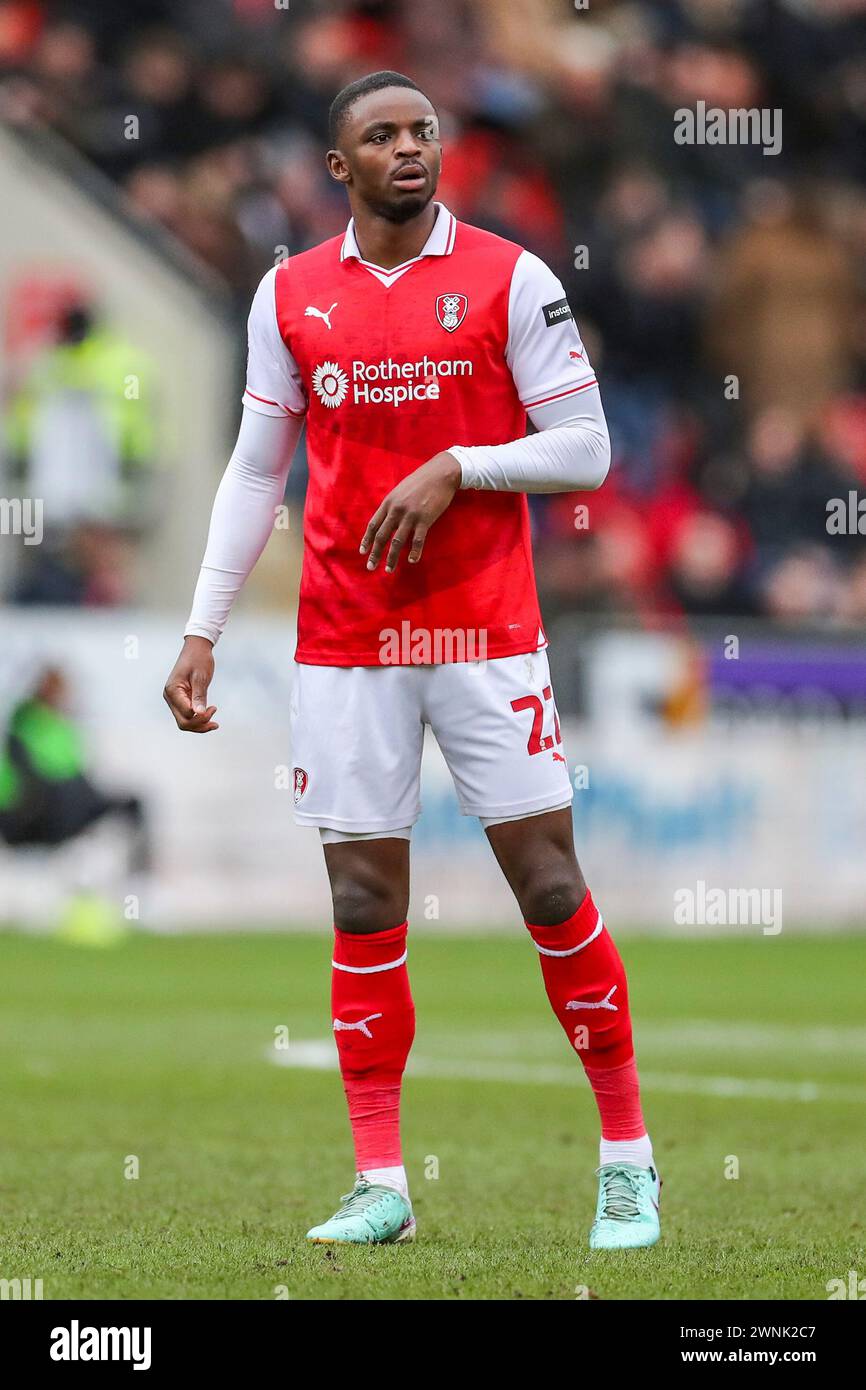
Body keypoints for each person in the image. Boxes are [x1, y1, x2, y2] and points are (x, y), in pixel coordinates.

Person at [164, 70, 660, 1250]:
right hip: (345, 640)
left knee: (546, 885)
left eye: (421, 133)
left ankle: (627, 1162)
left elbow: (585, 448)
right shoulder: (288, 296)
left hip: (484, 631)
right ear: (337, 166)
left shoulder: (510, 276)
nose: (408, 150)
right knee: (361, 899)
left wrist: (460, 467)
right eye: (379, 137)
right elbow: (253, 472)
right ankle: (380, 1180)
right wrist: (200, 627)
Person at [0, 666, 151, 874]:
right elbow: (40, 780)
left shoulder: (63, 728)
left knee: (132, 803)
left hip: (64, 810)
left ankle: (138, 876)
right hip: (33, 818)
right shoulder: (24, 726)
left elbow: (77, 773)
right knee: (70, 792)